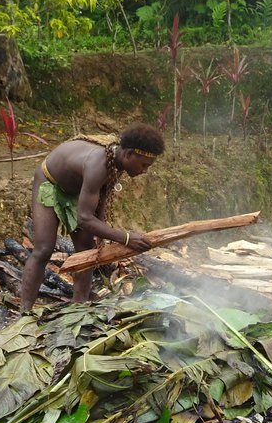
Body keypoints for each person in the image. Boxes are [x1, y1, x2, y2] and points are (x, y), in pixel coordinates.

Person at [20, 123, 164, 312]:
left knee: (86, 249)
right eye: (144, 165)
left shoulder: (116, 161)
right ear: (129, 154)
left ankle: (79, 308)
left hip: (78, 191)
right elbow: (85, 219)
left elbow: (101, 196)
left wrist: (102, 233)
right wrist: (126, 238)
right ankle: (24, 311)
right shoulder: (99, 165)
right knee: (44, 248)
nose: (145, 170)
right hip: (50, 182)